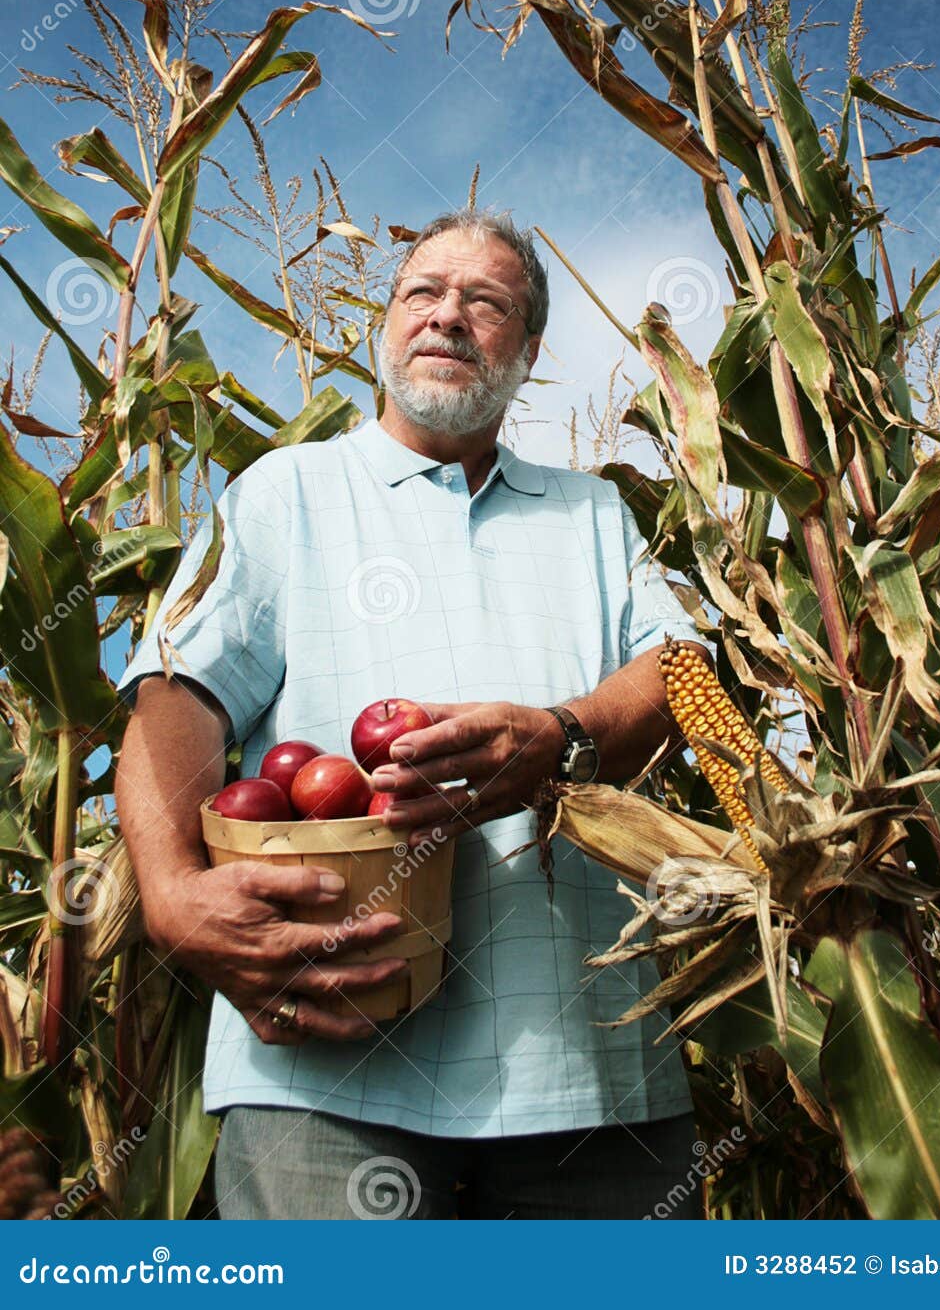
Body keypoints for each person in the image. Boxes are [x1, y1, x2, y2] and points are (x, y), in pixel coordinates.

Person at [115, 207, 709, 1220]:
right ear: (383, 327)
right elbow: (175, 697)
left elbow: (689, 675)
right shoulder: (281, 494)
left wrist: (563, 736)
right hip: (323, 1061)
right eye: (420, 293)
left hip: (587, 1069)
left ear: (525, 351)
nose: (446, 316)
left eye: (485, 302)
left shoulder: (595, 513)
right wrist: (171, 898)